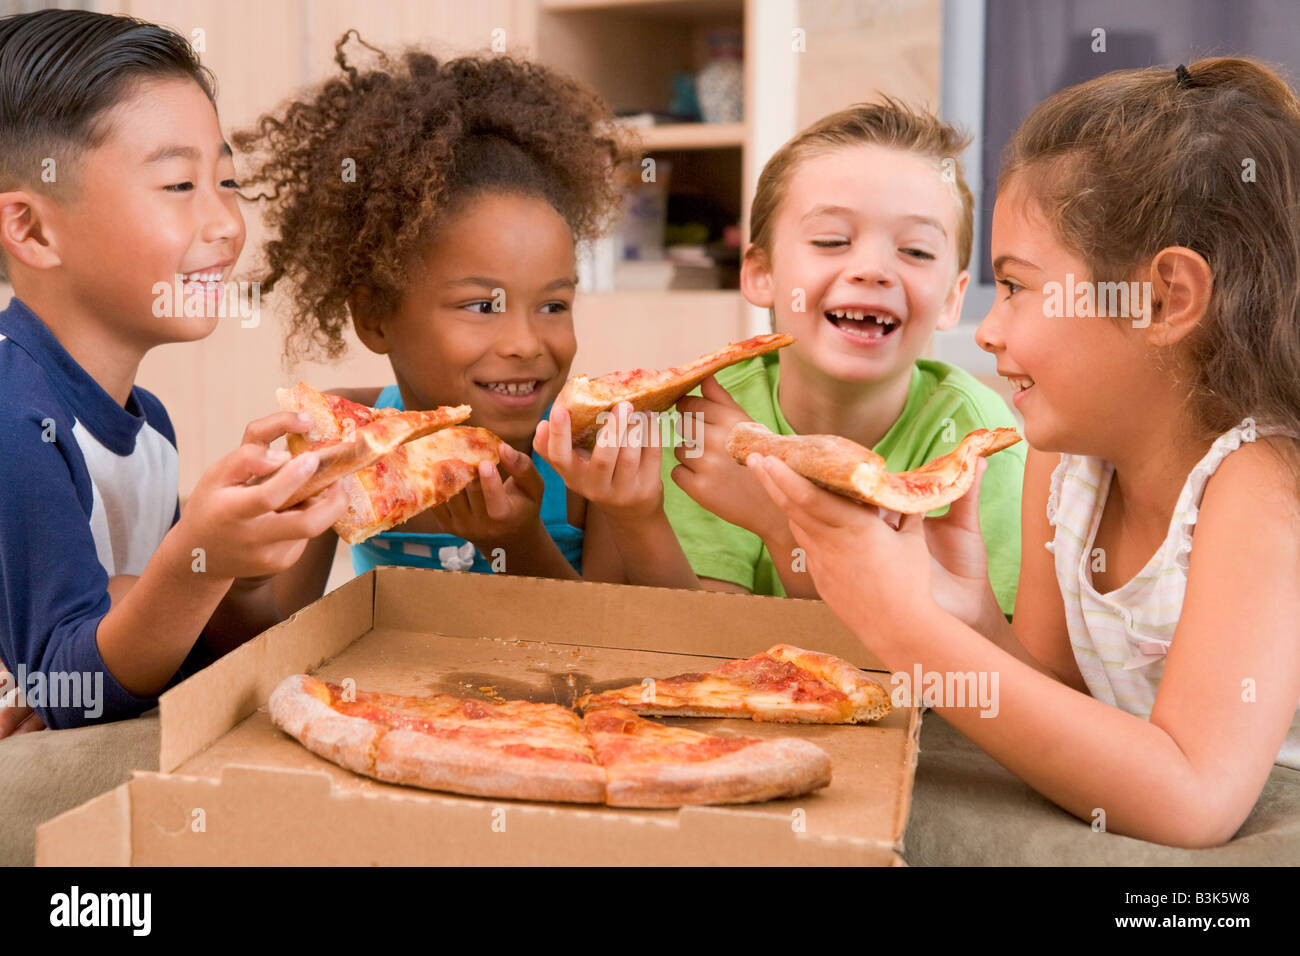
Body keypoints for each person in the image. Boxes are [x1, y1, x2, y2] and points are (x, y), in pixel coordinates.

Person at [749, 58, 1300, 847]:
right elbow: (1052, 703)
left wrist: (903, 627)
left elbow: (1194, 798)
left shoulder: (1260, 481)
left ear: (1164, 298)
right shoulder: (1068, 461)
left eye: (1014, 287)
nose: (987, 331)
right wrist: (967, 612)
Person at [0, 10, 345, 734]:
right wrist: (194, 562)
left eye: (226, 179)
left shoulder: (149, 423)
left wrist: (239, 568)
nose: (225, 224)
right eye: (179, 186)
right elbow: (67, 693)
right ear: (32, 230)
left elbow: (174, 652)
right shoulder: (14, 418)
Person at [660, 100, 1025, 607]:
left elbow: (949, 663)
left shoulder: (975, 444)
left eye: (916, 251)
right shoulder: (713, 423)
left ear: (952, 299)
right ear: (761, 274)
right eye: (832, 241)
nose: (872, 269)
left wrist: (777, 520)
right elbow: (708, 653)